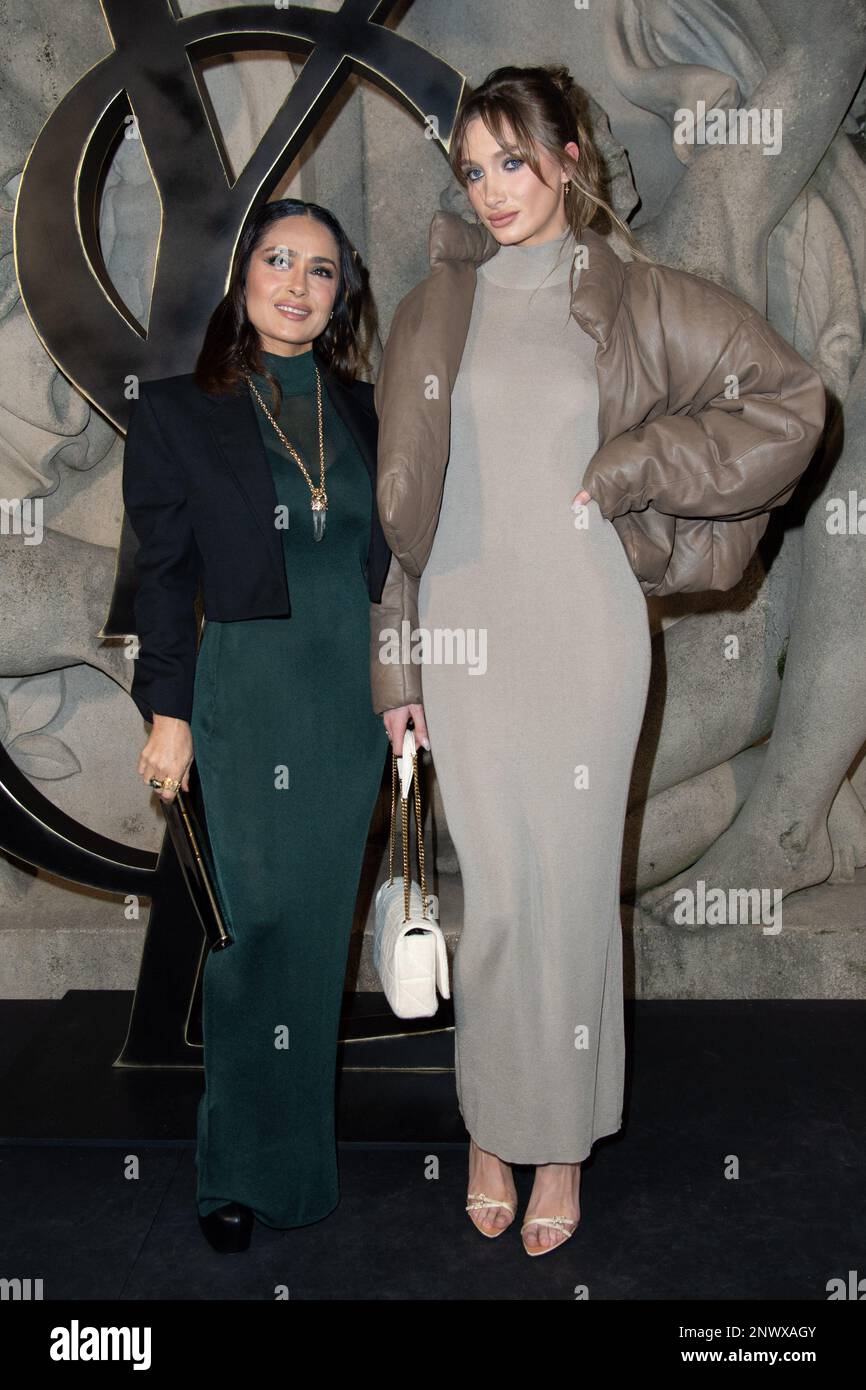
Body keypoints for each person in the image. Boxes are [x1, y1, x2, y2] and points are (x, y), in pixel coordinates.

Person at [369, 65, 826, 1256]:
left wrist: (640, 463)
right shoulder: (432, 306)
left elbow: (790, 402)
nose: (492, 189)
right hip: (463, 632)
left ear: (569, 155)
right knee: (497, 895)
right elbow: (408, 522)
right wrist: (396, 672)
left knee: (568, 896)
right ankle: (487, 1127)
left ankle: (559, 1146)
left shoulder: (638, 297)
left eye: (512, 160)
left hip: (582, 630)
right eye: (472, 169)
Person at [122, 197, 424, 1253]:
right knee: (249, 940)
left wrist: (405, 695)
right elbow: (158, 581)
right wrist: (167, 713)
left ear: (343, 298)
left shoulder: (368, 409)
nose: (296, 284)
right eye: (278, 261)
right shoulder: (175, 410)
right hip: (245, 696)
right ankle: (233, 1173)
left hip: (347, 697)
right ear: (243, 277)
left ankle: (298, 1160)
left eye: (322, 271)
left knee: (315, 943)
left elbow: (399, 572)